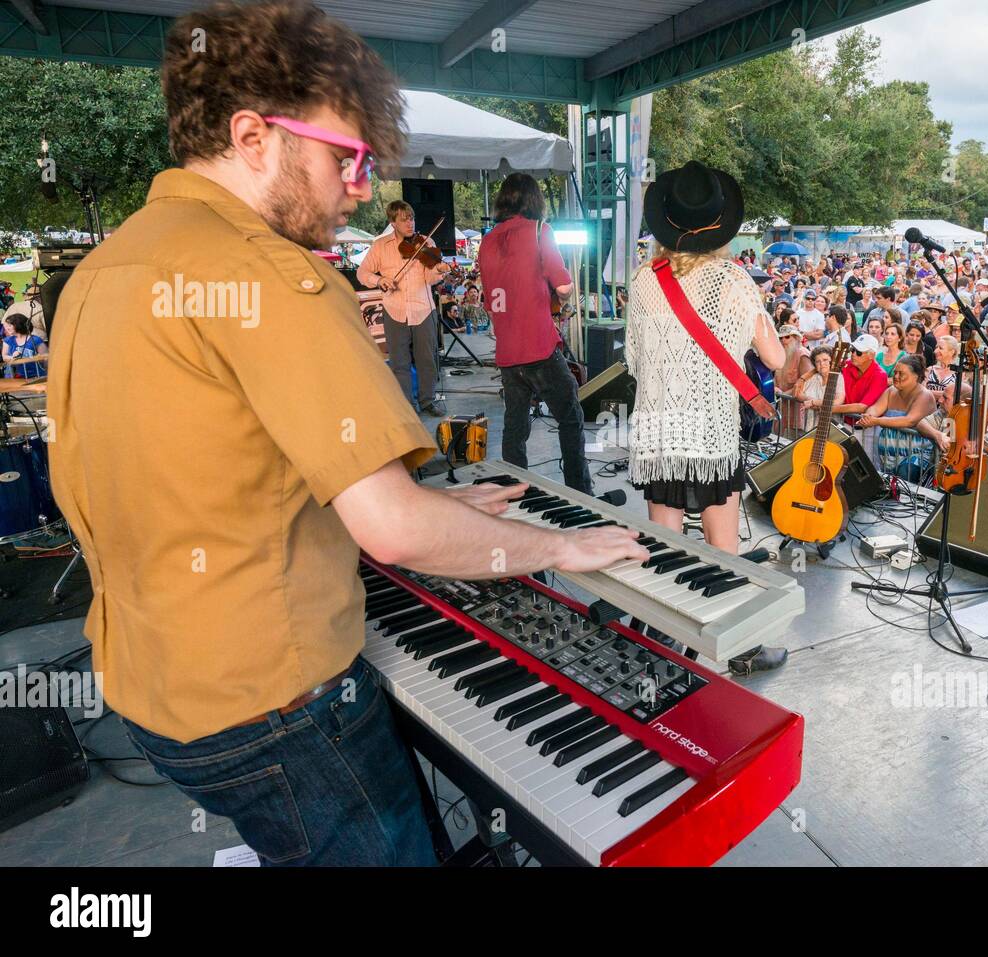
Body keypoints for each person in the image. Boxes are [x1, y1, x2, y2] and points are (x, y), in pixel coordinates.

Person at [45, 0, 646, 868]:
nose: (363, 186)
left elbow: (205, 481)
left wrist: (424, 499)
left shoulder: (105, 269)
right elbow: (396, 532)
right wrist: (552, 545)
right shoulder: (267, 273)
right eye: (346, 156)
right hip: (276, 707)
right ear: (254, 138)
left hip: (153, 694)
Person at [627, 160, 787, 673]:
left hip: (657, 429)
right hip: (710, 428)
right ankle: (738, 649)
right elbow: (777, 360)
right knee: (724, 544)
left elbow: (632, 359)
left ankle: (664, 640)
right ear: (720, 225)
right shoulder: (734, 280)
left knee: (663, 543)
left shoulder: (644, 279)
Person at [478, 172, 592, 495]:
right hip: (539, 348)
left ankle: (514, 490)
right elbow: (565, 287)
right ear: (533, 199)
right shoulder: (541, 231)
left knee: (515, 425)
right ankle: (580, 492)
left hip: (507, 351)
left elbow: (490, 303)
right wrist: (559, 294)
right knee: (570, 415)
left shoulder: (488, 240)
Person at [358, 200, 452, 415]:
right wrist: (379, 281)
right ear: (393, 222)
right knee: (400, 361)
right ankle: (407, 405)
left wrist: (440, 270)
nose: (410, 223)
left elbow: (430, 279)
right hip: (394, 309)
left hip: (423, 309)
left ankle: (428, 400)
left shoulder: (426, 243)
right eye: (404, 219)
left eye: (411, 218)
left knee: (427, 359)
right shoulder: (380, 246)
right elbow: (362, 273)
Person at [859, 355, 937, 481]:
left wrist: (876, 421)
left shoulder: (924, 396)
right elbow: (876, 408)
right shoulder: (891, 391)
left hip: (914, 456)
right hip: (888, 456)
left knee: (905, 488)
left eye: (901, 374)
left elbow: (909, 420)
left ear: (916, 376)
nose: (895, 377)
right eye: (895, 372)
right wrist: (869, 415)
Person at [833, 332, 888, 462]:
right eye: (852, 350)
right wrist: (803, 378)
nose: (853, 354)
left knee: (863, 465)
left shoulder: (880, 375)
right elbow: (825, 364)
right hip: (843, 424)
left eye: (858, 352)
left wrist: (830, 409)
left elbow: (862, 407)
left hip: (866, 430)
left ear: (871, 355)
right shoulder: (846, 364)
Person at [794, 345, 847, 429]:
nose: (822, 364)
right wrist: (811, 400)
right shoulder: (812, 377)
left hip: (830, 426)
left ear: (832, 361)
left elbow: (838, 401)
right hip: (810, 425)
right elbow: (798, 394)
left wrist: (813, 403)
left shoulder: (838, 377)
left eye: (825, 360)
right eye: (818, 361)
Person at [2, 312, 48, 378]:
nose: (7, 328)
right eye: (6, 326)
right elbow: (4, 357)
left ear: (18, 325)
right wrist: (13, 357)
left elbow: (46, 359)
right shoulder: (8, 340)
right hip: (19, 377)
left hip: (38, 376)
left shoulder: (36, 340)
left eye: (10, 325)